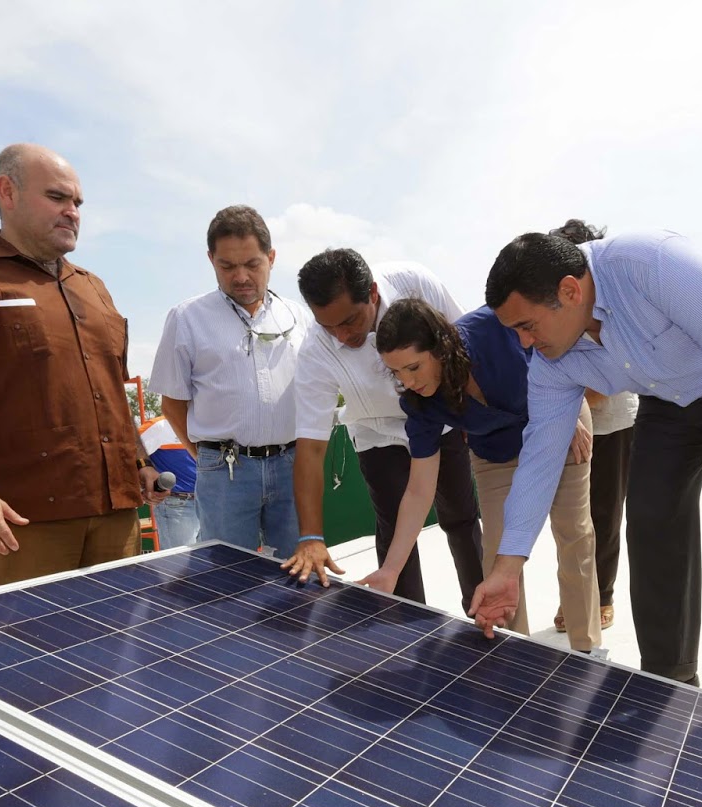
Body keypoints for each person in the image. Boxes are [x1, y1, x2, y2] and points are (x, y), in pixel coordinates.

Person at [475, 230, 702, 713]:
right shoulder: (550, 361)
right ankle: (669, 675)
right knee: (651, 514)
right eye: (514, 332)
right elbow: (540, 457)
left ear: (570, 291)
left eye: (527, 325)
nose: (524, 342)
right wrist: (508, 568)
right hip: (670, 393)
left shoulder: (652, 264)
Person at [0, 143, 164, 587]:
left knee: (120, 644)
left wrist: (140, 464)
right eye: (57, 198)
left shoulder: (92, 287)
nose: (73, 212)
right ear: (8, 192)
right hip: (24, 520)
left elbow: (113, 394)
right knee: (39, 649)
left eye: (77, 202)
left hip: (117, 512)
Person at [365, 299, 600, 651]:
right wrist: (391, 569)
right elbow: (419, 490)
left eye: (413, 367)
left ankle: (587, 651)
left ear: (440, 347)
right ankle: (514, 654)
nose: (408, 382)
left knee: (573, 535)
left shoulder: (493, 328)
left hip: (557, 423)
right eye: (396, 373)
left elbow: (554, 351)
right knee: (498, 556)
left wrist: (566, 418)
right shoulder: (420, 404)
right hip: (495, 452)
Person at [282, 249, 483, 610]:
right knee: (393, 528)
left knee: (461, 518)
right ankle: (408, 627)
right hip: (375, 431)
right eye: (329, 327)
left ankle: (483, 611)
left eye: (350, 321)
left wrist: (471, 415)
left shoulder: (415, 281)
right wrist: (312, 535)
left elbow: (466, 343)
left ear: (372, 292)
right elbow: (311, 447)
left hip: (438, 416)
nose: (342, 336)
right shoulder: (315, 351)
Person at [148, 205, 304, 556]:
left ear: (272, 257)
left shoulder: (296, 316)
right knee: (227, 578)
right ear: (210, 260)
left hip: (291, 468)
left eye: (252, 264)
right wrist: (210, 457)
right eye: (227, 266)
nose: (241, 277)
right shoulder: (187, 318)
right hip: (224, 474)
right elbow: (172, 404)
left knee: (297, 572)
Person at [547, 220, 634, 636]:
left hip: (613, 420)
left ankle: (603, 597)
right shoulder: (552, 304)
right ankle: (575, 594)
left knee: (604, 511)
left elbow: (608, 378)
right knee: (570, 515)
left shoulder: (614, 301)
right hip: (569, 421)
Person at [139, 415, 199, 547]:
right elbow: (130, 453)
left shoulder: (207, 425)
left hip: (207, 504)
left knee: (205, 561)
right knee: (181, 563)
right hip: (177, 504)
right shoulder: (159, 426)